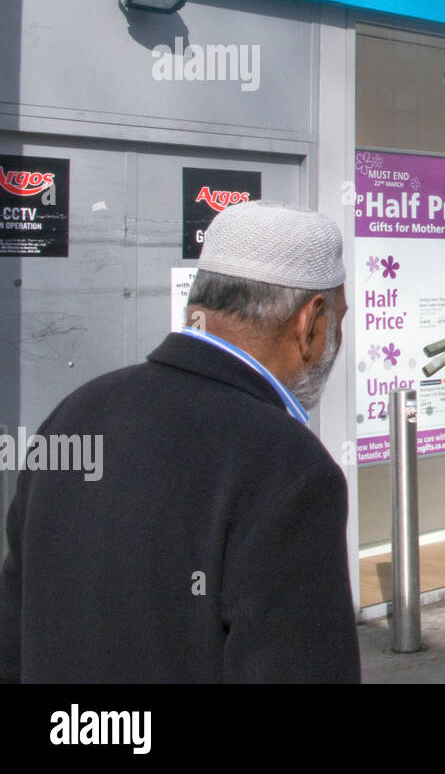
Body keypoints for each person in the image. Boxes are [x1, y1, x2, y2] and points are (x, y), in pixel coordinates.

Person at [0, 202, 360, 683]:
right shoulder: (289, 467)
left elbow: (14, 638)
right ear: (311, 322)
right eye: (340, 319)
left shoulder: (74, 414)